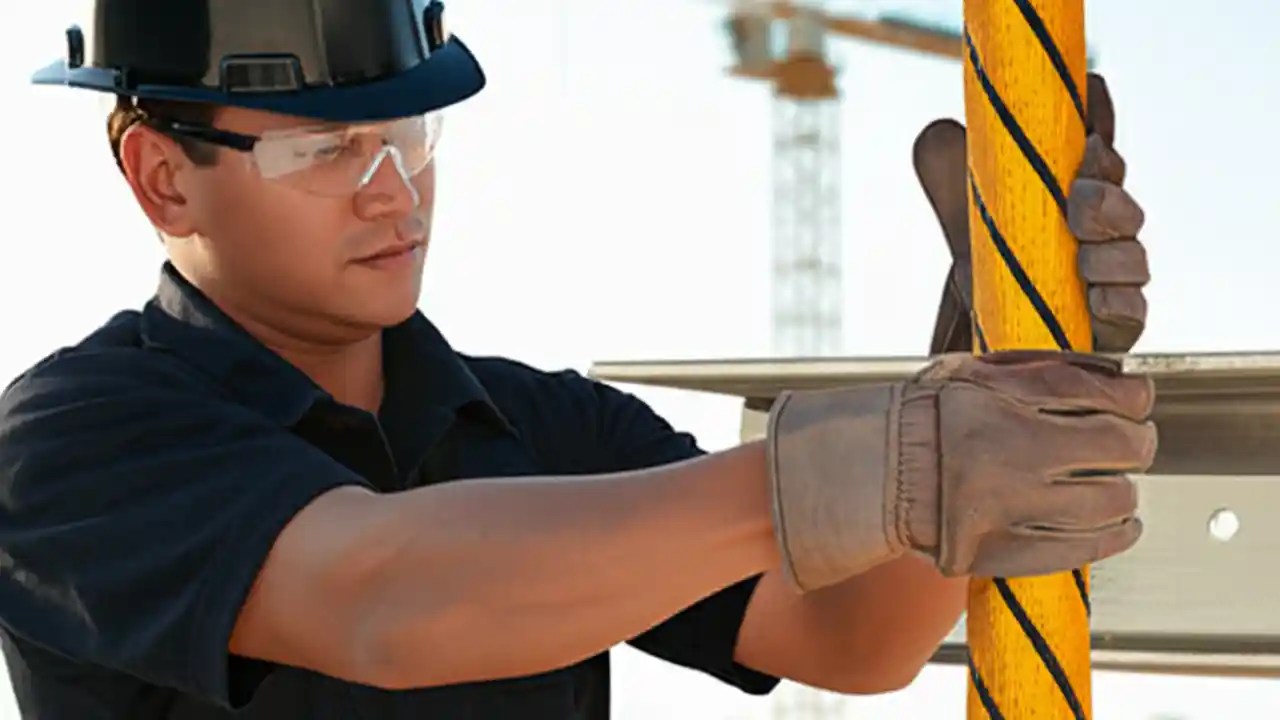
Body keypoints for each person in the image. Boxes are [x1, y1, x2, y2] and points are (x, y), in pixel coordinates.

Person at [0, 2, 1154, 718]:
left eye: (408, 135)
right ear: (160, 175)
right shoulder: (70, 445)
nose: (394, 194)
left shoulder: (543, 433)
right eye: (324, 149)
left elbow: (848, 638)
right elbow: (386, 600)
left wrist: (980, 359)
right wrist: (855, 469)